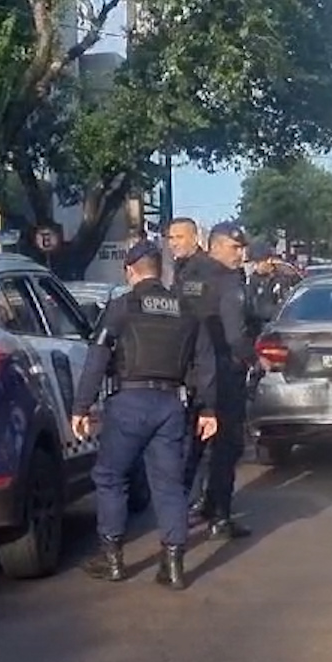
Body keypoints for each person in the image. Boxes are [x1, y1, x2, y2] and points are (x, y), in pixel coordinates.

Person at [71, 239, 219, 591]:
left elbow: (97, 357)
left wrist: (81, 406)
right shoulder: (186, 310)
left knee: (110, 478)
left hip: (129, 403)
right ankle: (173, 565)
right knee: (169, 485)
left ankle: (113, 560)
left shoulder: (122, 307)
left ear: (130, 270)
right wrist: (209, 408)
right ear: (160, 270)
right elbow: (205, 363)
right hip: (171, 405)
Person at [167, 218, 255, 539]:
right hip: (224, 373)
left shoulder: (187, 274)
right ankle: (220, 515)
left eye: (242, 248)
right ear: (215, 245)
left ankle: (182, 512)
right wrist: (254, 360)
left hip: (191, 374)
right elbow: (235, 335)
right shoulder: (228, 280)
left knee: (192, 445)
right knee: (226, 446)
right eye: (235, 247)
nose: (240, 254)